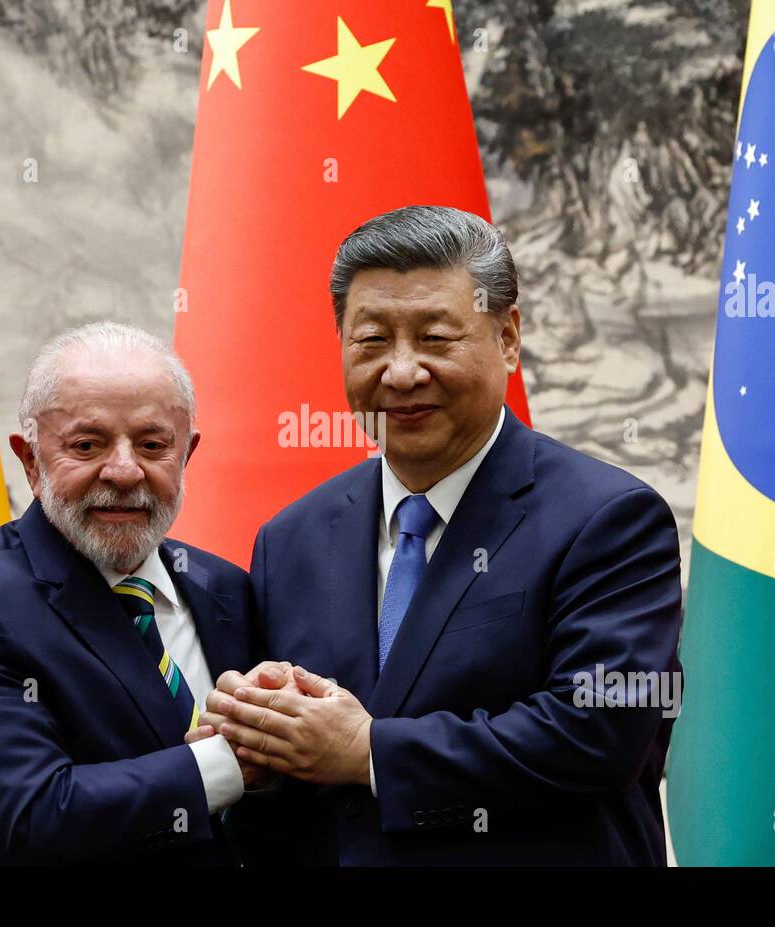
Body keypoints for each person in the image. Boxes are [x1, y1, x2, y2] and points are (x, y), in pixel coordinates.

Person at [204, 205, 684, 865]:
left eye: (435, 337)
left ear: (508, 339)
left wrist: (368, 751)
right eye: (372, 340)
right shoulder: (290, 540)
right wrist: (252, 743)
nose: (401, 373)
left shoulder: (609, 520)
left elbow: (596, 734)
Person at [0, 322, 269, 865]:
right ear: (30, 459)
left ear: (186, 455)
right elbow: (35, 816)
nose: (123, 471)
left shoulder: (229, 591)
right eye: (87, 445)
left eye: (152, 444)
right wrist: (231, 761)